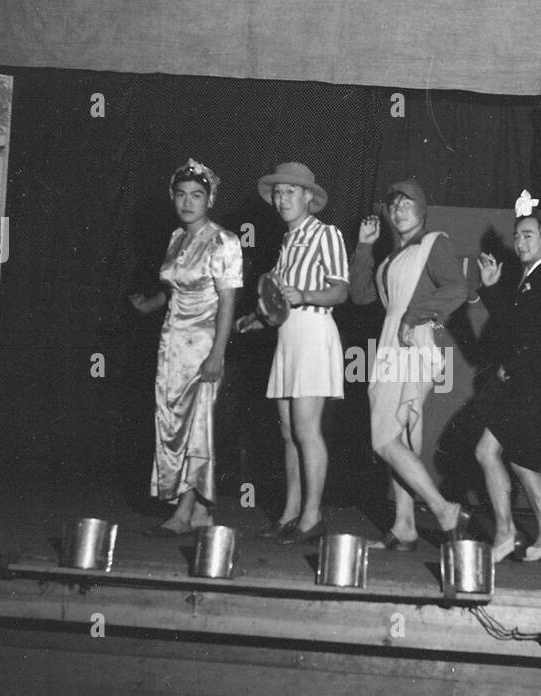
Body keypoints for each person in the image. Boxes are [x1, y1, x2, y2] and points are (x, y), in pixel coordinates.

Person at [349, 179, 470, 550]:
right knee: (397, 438)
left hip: (411, 341)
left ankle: (444, 510)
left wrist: (415, 315)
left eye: (407, 204)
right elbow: (361, 294)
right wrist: (365, 247)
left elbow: (457, 288)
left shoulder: (434, 243)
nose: (399, 211)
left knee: (383, 437)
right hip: (390, 342)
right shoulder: (390, 259)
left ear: (422, 210)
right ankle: (404, 525)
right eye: (394, 206)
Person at [235, 162, 348, 544]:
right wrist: (257, 319)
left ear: (308, 198)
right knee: (287, 434)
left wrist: (305, 296)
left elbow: (340, 290)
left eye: (290, 193)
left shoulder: (326, 234)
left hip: (315, 335)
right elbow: (279, 302)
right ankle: (290, 513)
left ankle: (313, 517)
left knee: (306, 430)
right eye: (278, 193)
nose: (282, 200)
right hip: (288, 338)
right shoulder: (286, 242)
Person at [131, 159, 243, 536]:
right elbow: (174, 289)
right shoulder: (177, 238)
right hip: (171, 344)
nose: (188, 202)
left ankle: (185, 509)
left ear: (209, 200)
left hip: (203, 345)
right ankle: (196, 512)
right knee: (171, 422)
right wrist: (147, 305)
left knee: (197, 425)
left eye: (196, 195)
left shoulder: (223, 241)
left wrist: (217, 354)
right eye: (181, 195)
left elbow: (228, 302)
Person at [473, 213, 541, 563]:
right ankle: (537, 533)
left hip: (533, 385)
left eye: (528, 235)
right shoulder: (532, 277)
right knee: (513, 459)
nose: (520, 242)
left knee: (515, 460)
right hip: (524, 383)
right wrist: (490, 288)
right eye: (517, 236)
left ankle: (525, 532)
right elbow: (514, 325)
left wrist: (509, 368)